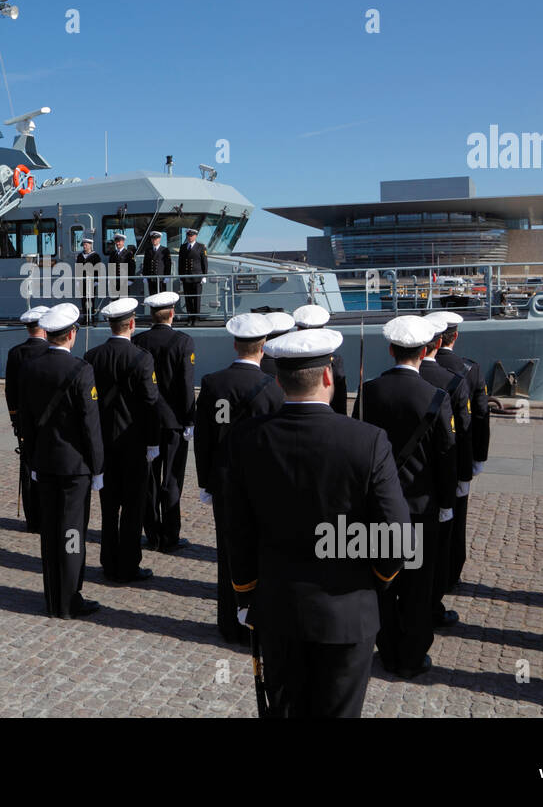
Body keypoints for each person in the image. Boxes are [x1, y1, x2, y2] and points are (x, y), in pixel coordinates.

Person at [227, 328, 409, 717]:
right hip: (348, 613)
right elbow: (395, 534)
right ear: (328, 376)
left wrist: (246, 595)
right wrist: (378, 579)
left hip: (277, 609)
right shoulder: (369, 441)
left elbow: (237, 531)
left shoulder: (246, 439)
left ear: (278, 380)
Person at [353, 315, 456, 678]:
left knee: (382, 580)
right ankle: (411, 656)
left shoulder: (369, 391)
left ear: (391, 350)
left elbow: (357, 451)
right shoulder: (436, 398)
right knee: (417, 585)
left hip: (378, 507)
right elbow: (446, 457)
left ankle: (388, 646)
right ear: (426, 350)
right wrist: (446, 503)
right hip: (421, 506)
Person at [194, 313, 282, 643]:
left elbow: (203, 438)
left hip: (224, 481)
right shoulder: (273, 388)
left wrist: (205, 482)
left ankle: (228, 621)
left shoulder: (213, 382)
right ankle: (255, 616)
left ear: (235, 344)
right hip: (260, 484)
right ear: (263, 348)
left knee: (227, 553)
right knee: (259, 552)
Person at [17, 303, 104, 619]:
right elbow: (90, 425)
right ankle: (70, 600)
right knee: (72, 533)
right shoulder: (81, 370)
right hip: (75, 466)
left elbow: (25, 422)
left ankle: (53, 596)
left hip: (44, 462)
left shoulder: (31, 368)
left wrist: (31, 460)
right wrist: (98, 467)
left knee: (50, 531)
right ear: (72, 334)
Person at [85, 297, 161, 584]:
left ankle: (108, 561)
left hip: (103, 443)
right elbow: (150, 403)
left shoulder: (92, 356)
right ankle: (128, 565)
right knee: (133, 507)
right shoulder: (142, 358)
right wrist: (153, 443)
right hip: (134, 443)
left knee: (108, 507)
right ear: (131, 324)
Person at [428, 310, 489, 592]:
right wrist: (476, 460)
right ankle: (451, 572)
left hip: (417, 463)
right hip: (453, 458)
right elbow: (477, 418)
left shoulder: (419, 368)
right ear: (455, 337)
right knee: (455, 521)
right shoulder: (469, 369)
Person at [418, 313, 472, 628]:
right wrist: (458, 482)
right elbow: (456, 437)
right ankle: (431, 605)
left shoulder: (372, 388)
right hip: (433, 488)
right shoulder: (454, 380)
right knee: (436, 551)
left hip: (392, 486)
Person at [133, 291, 195, 552]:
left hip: (145, 421)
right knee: (171, 480)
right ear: (172, 313)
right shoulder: (183, 342)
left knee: (149, 479)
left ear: (151, 315)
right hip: (173, 423)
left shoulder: (138, 341)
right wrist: (190, 419)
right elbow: (186, 384)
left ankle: (153, 533)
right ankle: (171, 535)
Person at [4, 306, 48, 532]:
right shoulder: (50, 351)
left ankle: (33, 518)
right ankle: (47, 516)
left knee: (28, 467)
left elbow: (9, 391)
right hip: (49, 423)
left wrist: (15, 419)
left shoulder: (15, 353)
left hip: (23, 421)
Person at [292, 305, 348, 414]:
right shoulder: (335, 360)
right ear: (323, 329)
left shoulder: (286, 358)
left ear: (298, 330)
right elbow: (339, 397)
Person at [177, 228, 208, 326]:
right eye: (188, 235)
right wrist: (181, 275)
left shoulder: (201, 247)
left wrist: (204, 275)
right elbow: (180, 263)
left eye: (192, 235)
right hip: (186, 276)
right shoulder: (183, 247)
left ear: (195, 236)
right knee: (188, 298)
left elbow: (204, 262)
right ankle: (190, 317)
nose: (190, 237)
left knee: (196, 298)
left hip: (197, 276)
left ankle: (196, 318)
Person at [74, 237, 102, 324]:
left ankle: (92, 318)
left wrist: (96, 281)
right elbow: (78, 269)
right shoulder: (80, 256)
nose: (84, 246)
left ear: (90, 245)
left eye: (86, 245)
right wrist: (78, 280)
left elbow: (98, 269)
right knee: (83, 299)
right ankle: (85, 317)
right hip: (83, 281)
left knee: (91, 299)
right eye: (84, 245)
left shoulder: (95, 256)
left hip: (92, 281)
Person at [140, 230, 171, 297]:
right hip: (151, 278)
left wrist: (167, 276)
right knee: (152, 297)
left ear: (159, 239)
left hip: (161, 278)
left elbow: (167, 264)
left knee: (161, 297)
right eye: (153, 238)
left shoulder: (164, 250)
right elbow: (146, 264)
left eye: (156, 238)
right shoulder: (148, 250)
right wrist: (144, 276)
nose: (154, 240)